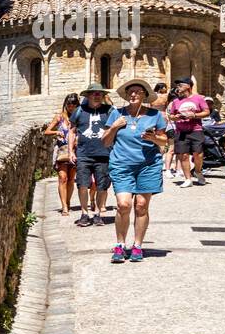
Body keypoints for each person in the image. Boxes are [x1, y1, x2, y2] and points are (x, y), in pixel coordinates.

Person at [104, 79, 169, 263]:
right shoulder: (116, 114)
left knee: (141, 205)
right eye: (130, 92)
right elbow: (105, 142)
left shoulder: (155, 115)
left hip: (148, 165)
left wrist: (153, 137)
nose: (133, 94)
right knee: (123, 204)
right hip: (122, 165)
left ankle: (137, 246)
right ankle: (120, 244)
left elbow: (165, 141)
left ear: (144, 96)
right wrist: (115, 127)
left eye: (138, 92)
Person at [71, 83, 115, 227]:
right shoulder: (79, 111)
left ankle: (97, 214)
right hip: (84, 154)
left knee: (102, 186)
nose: (97, 95)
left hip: (104, 154)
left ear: (103, 96)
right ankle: (84, 213)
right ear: (88, 95)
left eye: (99, 93)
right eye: (93, 93)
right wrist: (71, 151)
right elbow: (72, 131)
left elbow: (117, 129)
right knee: (82, 185)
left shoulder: (110, 111)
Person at [167, 76, 210, 187]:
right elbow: (171, 115)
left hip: (196, 130)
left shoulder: (198, 99)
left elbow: (206, 112)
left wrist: (194, 115)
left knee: (198, 154)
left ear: (189, 86)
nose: (178, 86)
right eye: (177, 85)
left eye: (181, 84)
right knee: (183, 155)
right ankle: (188, 179)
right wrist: (175, 117)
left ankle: (198, 171)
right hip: (181, 131)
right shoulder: (176, 101)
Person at [43, 94, 80, 216]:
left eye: (74, 105)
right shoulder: (59, 117)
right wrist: (57, 131)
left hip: (75, 151)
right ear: (65, 104)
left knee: (70, 179)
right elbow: (47, 131)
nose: (71, 107)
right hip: (62, 151)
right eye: (69, 104)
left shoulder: (79, 117)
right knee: (62, 178)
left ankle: (68, 202)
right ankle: (64, 206)